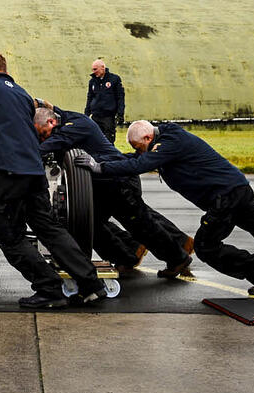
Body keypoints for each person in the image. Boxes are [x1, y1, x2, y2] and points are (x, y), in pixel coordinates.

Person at [76, 120, 254, 297]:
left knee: (207, 247)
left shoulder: (169, 142)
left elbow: (139, 164)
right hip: (234, 193)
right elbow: (134, 159)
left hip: (226, 198)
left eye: (140, 147)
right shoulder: (164, 143)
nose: (140, 153)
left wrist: (99, 167)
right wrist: (108, 160)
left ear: (149, 139)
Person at [0, 53, 105, 308]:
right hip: (34, 171)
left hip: (8, 174)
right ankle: (92, 285)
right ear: (5, 70)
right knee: (49, 229)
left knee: (10, 235)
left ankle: (49, 289)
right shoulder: (23, 94)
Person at [34, 106, 193, 279]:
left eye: (43, 133)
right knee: (90, 224)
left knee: (141, 224)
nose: (43, 138)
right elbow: (54, 112)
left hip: (118, 180)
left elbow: (41, 149)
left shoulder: (75, 127)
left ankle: (178, 258)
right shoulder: (63, 123)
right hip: (101, 185)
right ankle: (126, 256)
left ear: (52, 122)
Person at [85, 59, 124, 143]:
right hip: (95, 116)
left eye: (95, 69)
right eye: (93, 69)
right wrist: (86, 114)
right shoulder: (92, 82)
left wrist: (120, 113)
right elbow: (90, 97)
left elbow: (120, 97)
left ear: (102, 68)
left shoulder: (114, 79)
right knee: (95, 140)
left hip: (108, 117)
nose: (93, 72)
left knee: (109, 141)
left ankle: (110, 156)